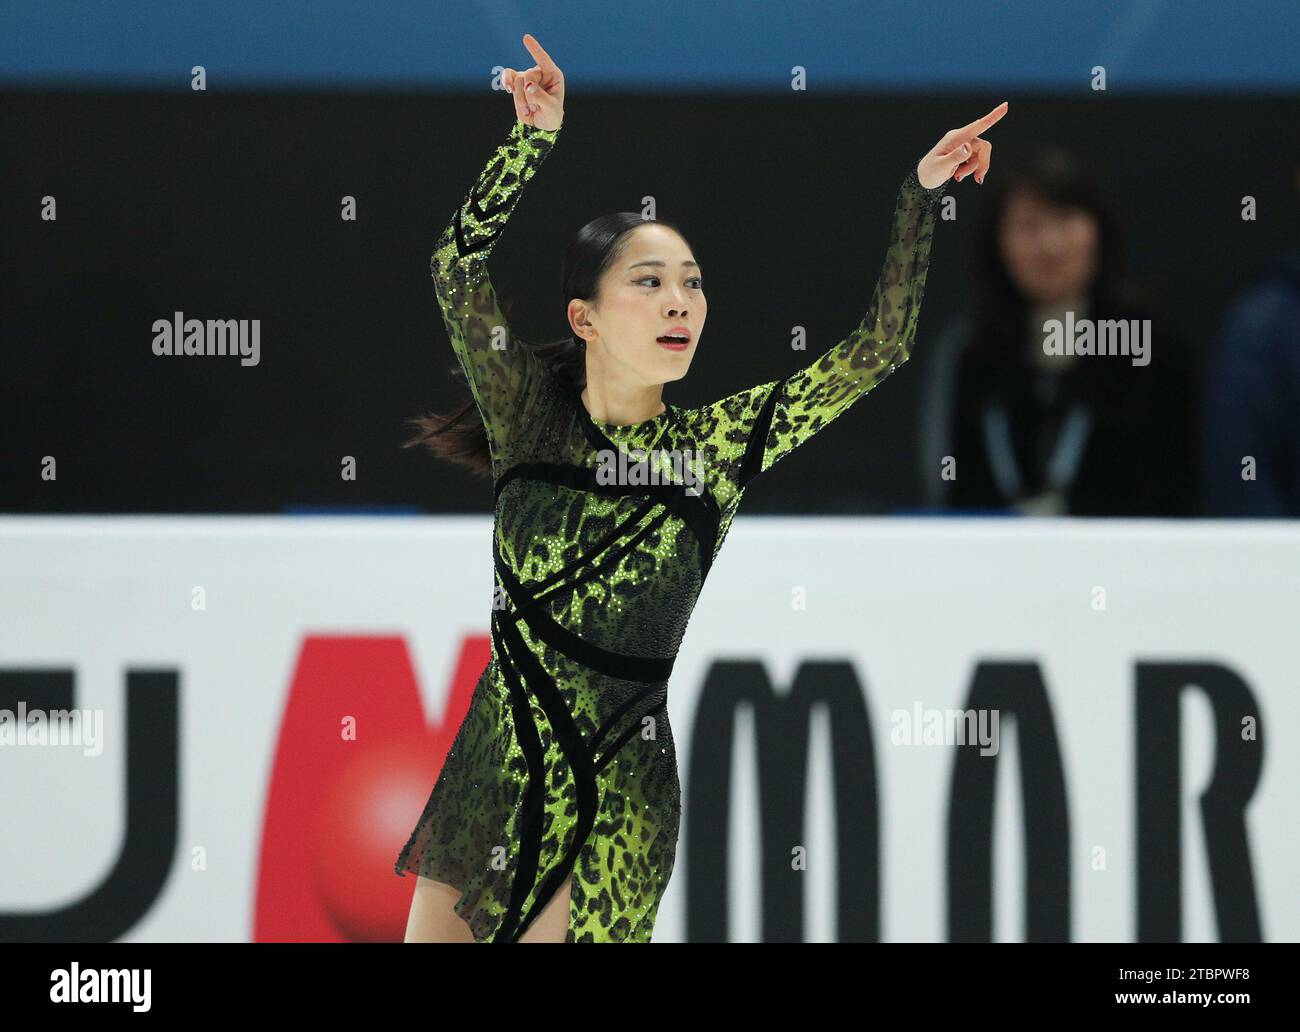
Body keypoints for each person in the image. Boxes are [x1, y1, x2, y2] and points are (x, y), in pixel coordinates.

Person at [396, 32, 1006, 942]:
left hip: (615, 786)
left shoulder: (716, 447)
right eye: (649, 282)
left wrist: (918, 197)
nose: (680, 300)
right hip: (496, 760)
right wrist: (530, 143)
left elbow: (876, 351)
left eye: (692, 283)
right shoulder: (527, 415)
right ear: (586, 318)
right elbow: (455, 268)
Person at [917, 147, 1196, 516]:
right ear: (998, 242)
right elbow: (947, 490)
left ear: (1097, 231)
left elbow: (1179, 485)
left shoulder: (1149, 343)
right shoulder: (970, 350)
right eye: (1029, 226)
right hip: (993, 562)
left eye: (1064, 220)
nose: (1049, 245)